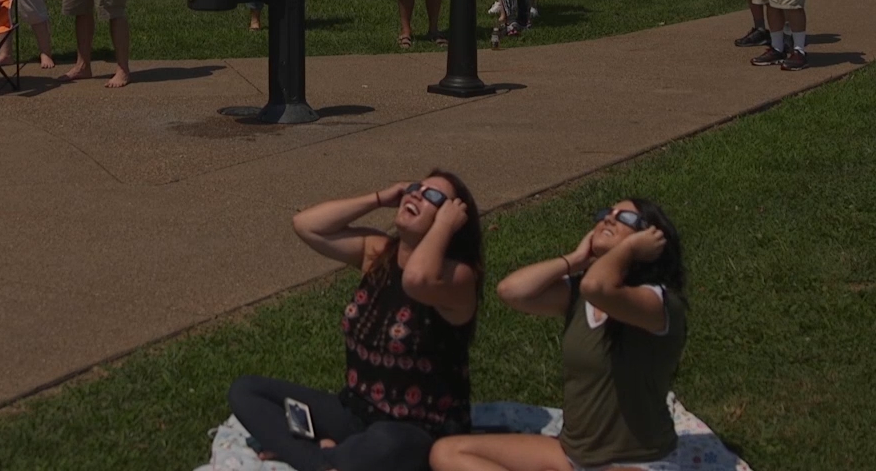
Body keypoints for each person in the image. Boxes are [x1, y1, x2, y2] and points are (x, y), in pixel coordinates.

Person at [227, 173, 481, 471]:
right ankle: (328, 461)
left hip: (418, 432)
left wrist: (444, 227)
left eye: (433, 197)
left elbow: (416, 279)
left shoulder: (457, 278)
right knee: (247, 391)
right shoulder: (379, 254)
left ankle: (319, 456)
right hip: (354, 414)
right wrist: (379, 198)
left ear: (452, 218)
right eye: (414, 189)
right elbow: (308, 226)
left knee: (387, 444)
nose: (415, 195)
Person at [431, 200, 687, 471]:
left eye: (624, 217)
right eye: (605, 214)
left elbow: (597, 286)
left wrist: (630, 248)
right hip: (572, 454)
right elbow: (512, 291)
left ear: (651, 239)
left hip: (635, 461)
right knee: (446, 453)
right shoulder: (581, 295)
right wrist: (575, 260)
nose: (608, 220)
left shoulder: (659, 302)